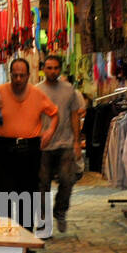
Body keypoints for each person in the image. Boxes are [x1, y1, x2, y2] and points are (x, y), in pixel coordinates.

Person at [0, 58, 58, 237]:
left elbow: (55, 114)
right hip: (3, 147)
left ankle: (25, 240)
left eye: (21, 75)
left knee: (28, 195)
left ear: (28, 76)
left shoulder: (37, 94)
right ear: (10, 74)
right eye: (14, 75)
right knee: (3, 195)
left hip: (30, 149)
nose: (18, 79)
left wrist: (50, 132)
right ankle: (6, 239)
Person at [34, 54, 86, 234]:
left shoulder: (69, 89)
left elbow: (74, 115)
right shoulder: (36, 90)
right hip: (43, 145)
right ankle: (43, 222)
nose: (52, 71)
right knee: (42, 186)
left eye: (56, 68)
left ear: (60, 69)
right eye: (49, 68)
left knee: (67, 179)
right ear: (43, 69)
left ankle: (60, 211)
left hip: (65, 143)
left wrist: (77, 143)